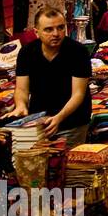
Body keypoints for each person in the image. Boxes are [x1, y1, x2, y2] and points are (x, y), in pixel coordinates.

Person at [12, 8, 92, 146]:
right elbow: (21, 89)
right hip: (39, 123)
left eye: (60, 28)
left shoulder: (78, 52)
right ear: (37, 32)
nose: (56, 34)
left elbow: (78, 94)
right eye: (48, 29)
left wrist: (58, 118)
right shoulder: (27, 52)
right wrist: (20, 105)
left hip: (72, 123)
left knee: (68, 165)